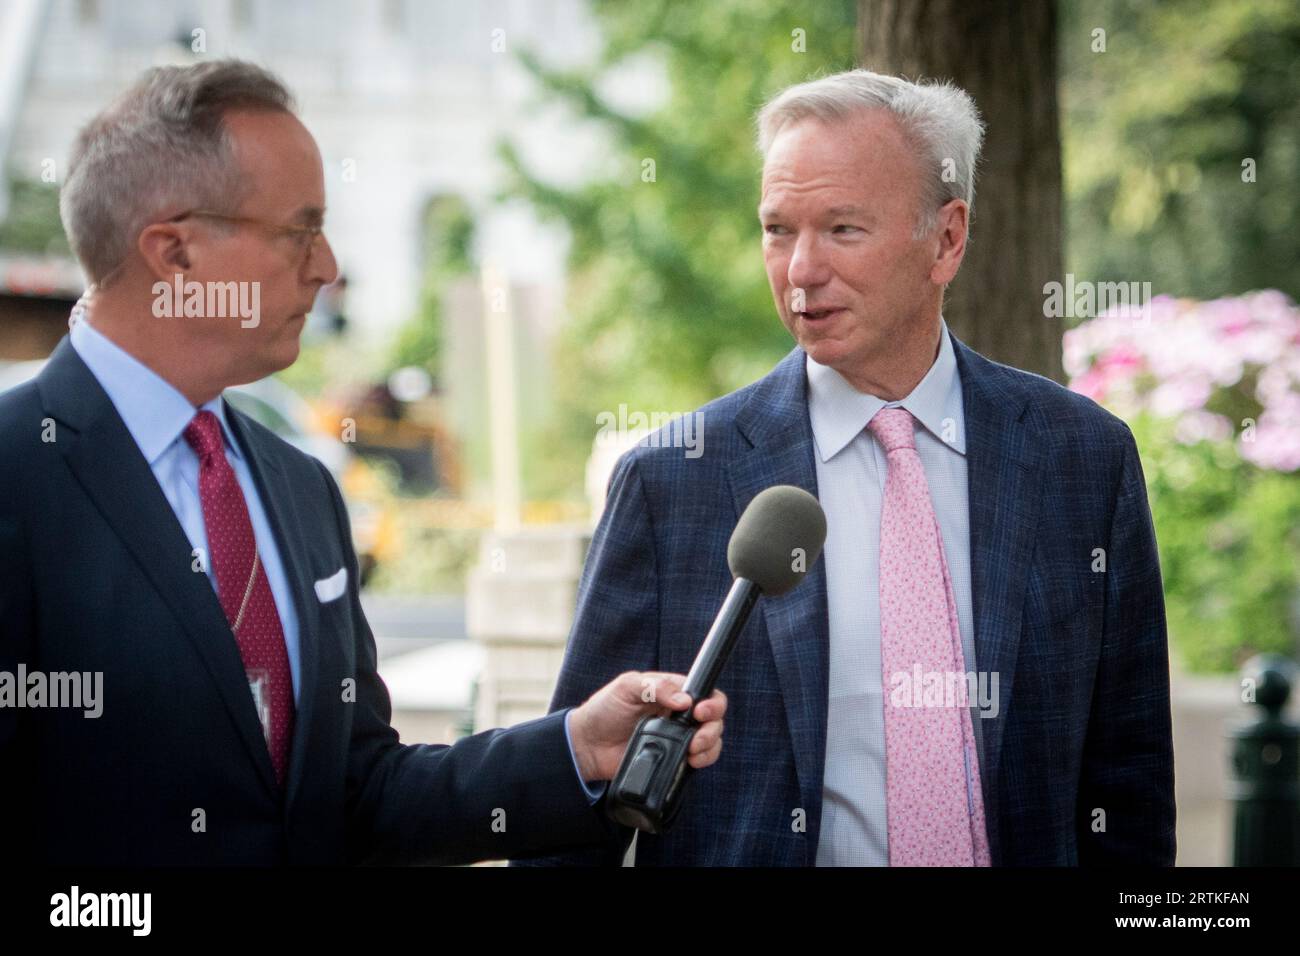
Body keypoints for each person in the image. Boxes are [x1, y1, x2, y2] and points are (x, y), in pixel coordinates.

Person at [0, 59, 726, 866]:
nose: (328, 266)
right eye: (300, 230)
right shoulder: (18, 475)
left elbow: (360, 793)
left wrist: (575, 752)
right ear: (174, 254)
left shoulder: (299, 486)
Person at [518, 70, 1175, 867]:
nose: (799, 270)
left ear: (947, 239)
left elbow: (1128, 780)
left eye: (840, 229)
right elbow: (572, 809)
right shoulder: (672, 482)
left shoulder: (1083, 459)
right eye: (777, 229)